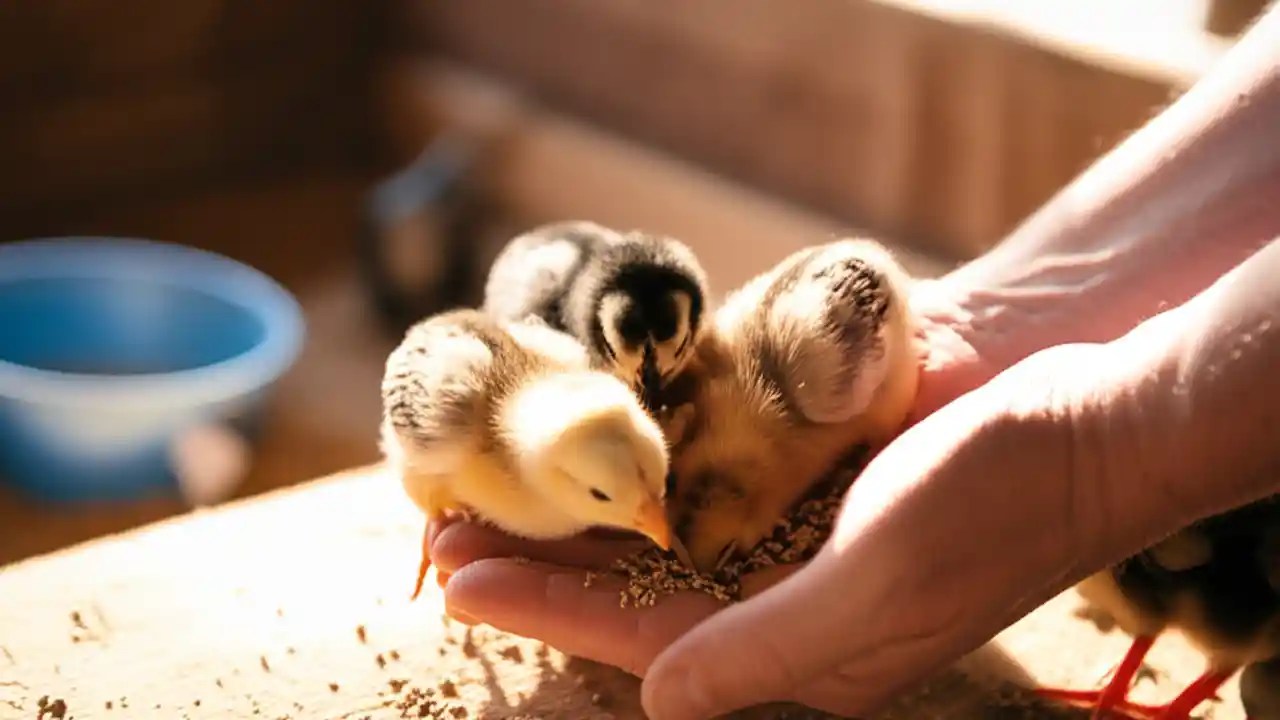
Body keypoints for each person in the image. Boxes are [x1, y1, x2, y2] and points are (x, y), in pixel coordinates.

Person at [424, 6, 1280, 719]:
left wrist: (1097, 458)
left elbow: (855, 311)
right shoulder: (726, 402)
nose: (692, 550)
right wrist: (1033, 333)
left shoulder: (794, 397)